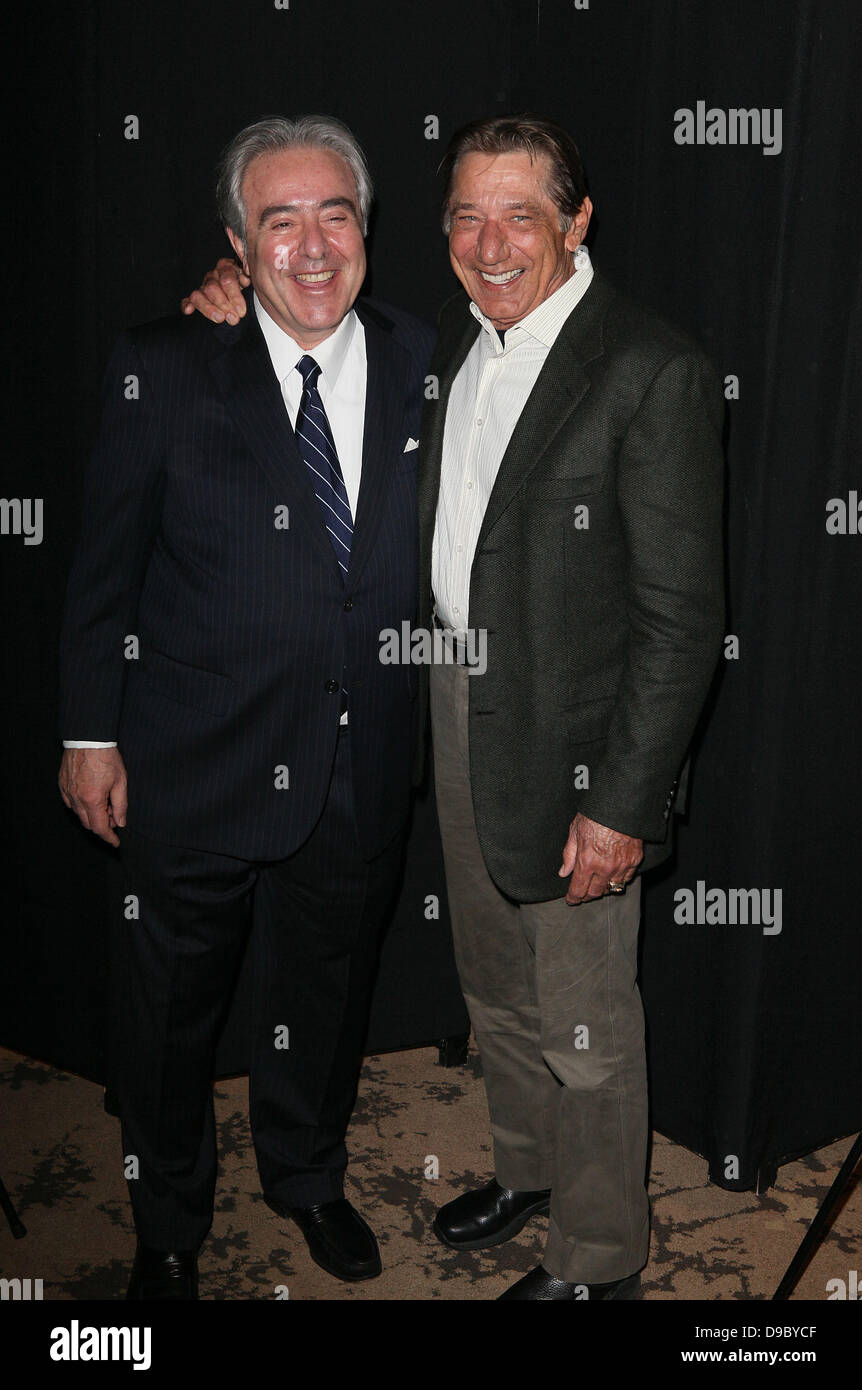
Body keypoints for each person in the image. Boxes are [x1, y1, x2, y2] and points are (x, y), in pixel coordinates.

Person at [188, 112, 725, 1302]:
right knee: (495, 985)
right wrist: (230, 292)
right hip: (450, 702)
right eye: (465, 218)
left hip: (580, 748)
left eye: (519, 216)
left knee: (584, 1020)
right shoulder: (444, 339)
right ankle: (529, 1173)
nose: (489, 245)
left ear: (576, 223)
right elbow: (306, 320)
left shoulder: (650, 368)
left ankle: (597, 1257)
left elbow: (682, 622)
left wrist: (623, 802)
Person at [57, 114, 434, 1299]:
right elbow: (103, 570)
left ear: (366, 228)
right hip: (191, 760)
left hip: (359, 759)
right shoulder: (164, 365)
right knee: (168, 1014)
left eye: (335, 215)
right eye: (280, 222)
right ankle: (167, 1221)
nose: (312, 246)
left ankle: (306, 1177)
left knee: (324, 996)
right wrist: (88, 733)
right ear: (236, 243)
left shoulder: (427, 360)